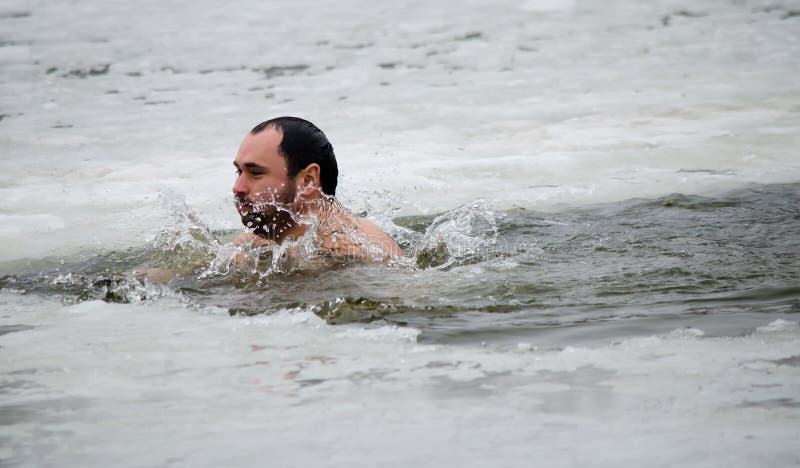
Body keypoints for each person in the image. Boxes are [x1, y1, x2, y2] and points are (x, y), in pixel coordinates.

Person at [231, 116, 402, 262]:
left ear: (308, 180)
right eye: (239, 171)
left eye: (255, 172)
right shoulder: (250, 245)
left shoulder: (357, 257)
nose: (237, 187)